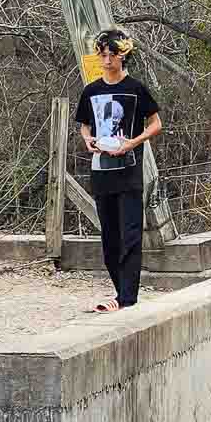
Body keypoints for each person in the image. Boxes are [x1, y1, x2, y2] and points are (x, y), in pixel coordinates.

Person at [74, 29, 161, 311]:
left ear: (123, 56)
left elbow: (156, 124)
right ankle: (119, 292)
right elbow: (85, 124)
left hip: (129, 171)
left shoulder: (136, 88)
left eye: (113, 54)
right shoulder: (91, 90)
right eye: (103, 54)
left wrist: (131, 144)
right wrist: (87, 139)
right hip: (101, 172)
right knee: (110, 237)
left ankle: (126, 299)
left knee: (131, 235)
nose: (107, 59)